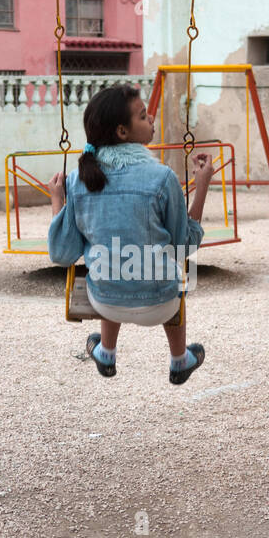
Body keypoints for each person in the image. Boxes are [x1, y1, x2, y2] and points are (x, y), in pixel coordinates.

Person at [48, 83, 214, 384]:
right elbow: (184, 245)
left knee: (111, 259)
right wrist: (202, 187)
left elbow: (62, 253)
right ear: (123, 132)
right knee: (169, 268)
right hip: (160, 305)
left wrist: (57, 200)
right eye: (142, 116)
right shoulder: (162, 177)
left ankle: (106, 353)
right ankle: (180, 360)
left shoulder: (77, 179)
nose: (151, 118)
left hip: (105, 301)